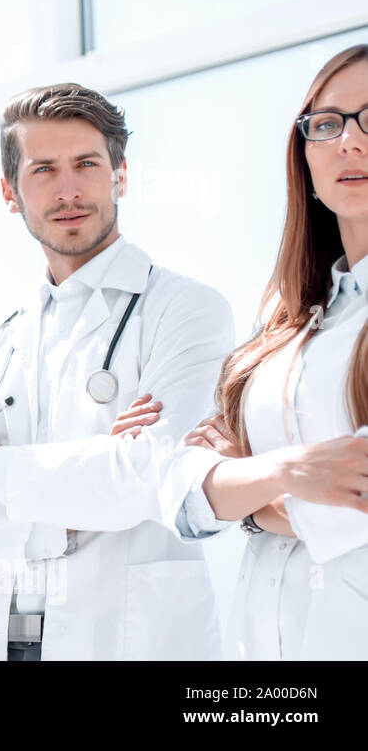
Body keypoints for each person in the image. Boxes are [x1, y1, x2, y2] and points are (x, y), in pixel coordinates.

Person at [0, 83, 234, 660]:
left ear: (120, 176)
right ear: (11, 193)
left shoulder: (185, 309)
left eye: (87, 163)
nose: (68, 190)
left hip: (128, 636)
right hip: (0, 639)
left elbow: (149, 474)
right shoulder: (0, 341)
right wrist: (53, 527)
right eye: (43, 170)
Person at [161, 44, 368, 660]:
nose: (348, 143)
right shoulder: (291, 324)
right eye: (326, 124)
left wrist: (247, 495)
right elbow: (182, 491)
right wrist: (286, 475)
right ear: (303, 152)